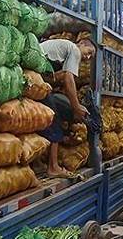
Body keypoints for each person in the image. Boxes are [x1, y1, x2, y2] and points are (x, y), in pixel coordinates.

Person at [39, 38, 96, 178]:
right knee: (54, 117)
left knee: (43, 118)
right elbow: (68, 78)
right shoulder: (74, 49)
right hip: (37, 77)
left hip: (38, 77)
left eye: (91, 57)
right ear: (81, 43)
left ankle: (37, 162)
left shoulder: (62, 49)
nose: (88, 57)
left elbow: (59, 77)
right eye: (89, 52)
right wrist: (76, 106)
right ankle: (53, 167)